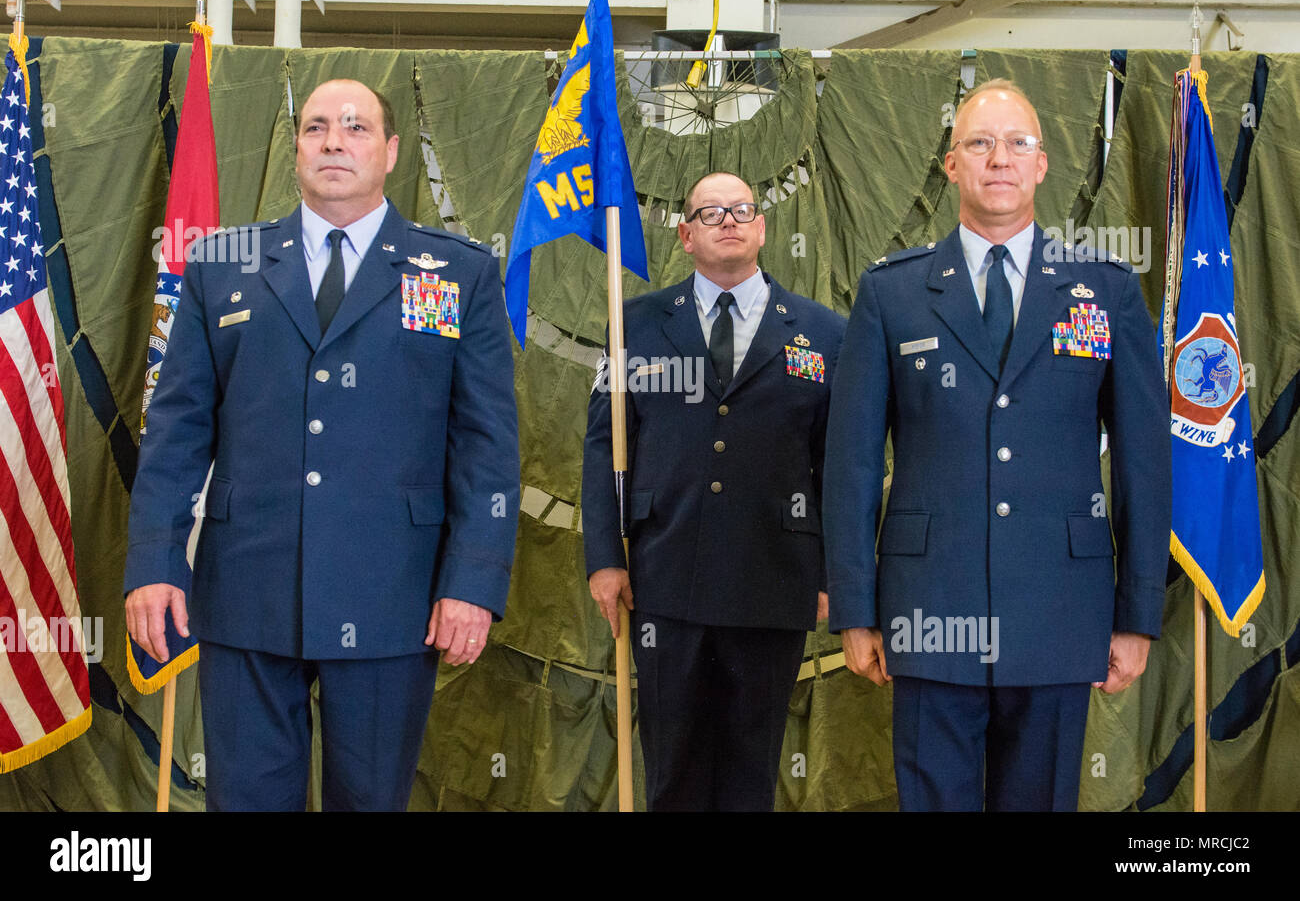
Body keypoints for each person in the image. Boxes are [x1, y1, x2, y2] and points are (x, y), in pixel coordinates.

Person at [124, 79, 520, 810]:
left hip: (393, 594)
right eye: (315, 128)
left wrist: (473, 580)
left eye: (355, 127)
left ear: (391, 151)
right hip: (248, 590)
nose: (334, 141)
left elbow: (486, 444)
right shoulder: (222, 265)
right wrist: (153, 562)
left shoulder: (460, 273)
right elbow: (177, 430)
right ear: (297, 148)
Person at [823, 80, 1171, 811]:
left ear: (1043, 165)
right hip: (928, 610)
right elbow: (852, 465)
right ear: (951, 167)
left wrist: (1138, 615)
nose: (1000, 158)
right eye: (979, 143)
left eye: (1019, 143)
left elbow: (1143, 461)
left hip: (1060, 611)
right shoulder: (892, 294)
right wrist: (856, 609)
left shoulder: (1103, 291)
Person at [583, 171, 846, 810]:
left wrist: (833, 573)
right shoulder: (635, 324)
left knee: (749, 774)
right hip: (663, 579)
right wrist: (605, 559)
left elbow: (837, 462)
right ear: (686, 235)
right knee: (672, 769)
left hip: (773, 581)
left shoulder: (825, 332)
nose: (728, 220)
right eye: (710, 212)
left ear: (761, 228)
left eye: (741, 210)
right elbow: (601, 447)